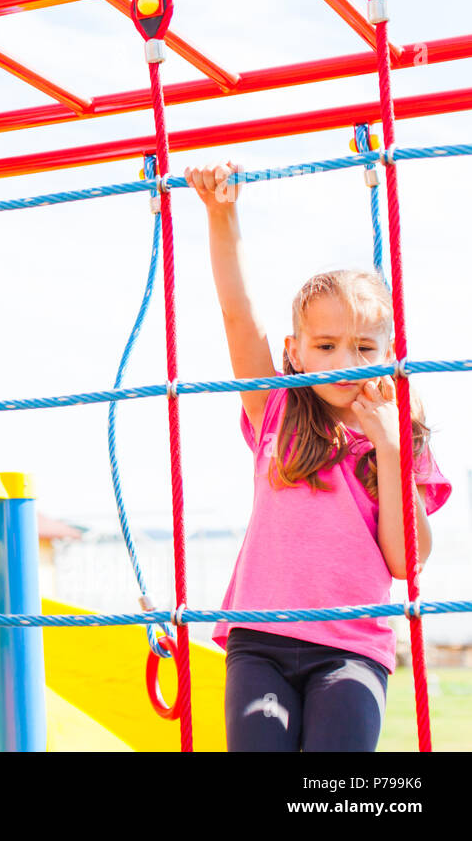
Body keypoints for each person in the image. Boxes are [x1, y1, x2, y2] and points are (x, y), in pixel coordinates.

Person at [186, 161, 450, 752]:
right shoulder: (276, 412)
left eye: (363, 347)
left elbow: (408, 562)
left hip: (352, 648)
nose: (345, 362)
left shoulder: (395, 437)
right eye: (326, 346)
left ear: (388, 351)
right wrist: (222, 213)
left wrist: (388, 446)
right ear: (296, 353)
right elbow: (238, 314)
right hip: (261, 642)